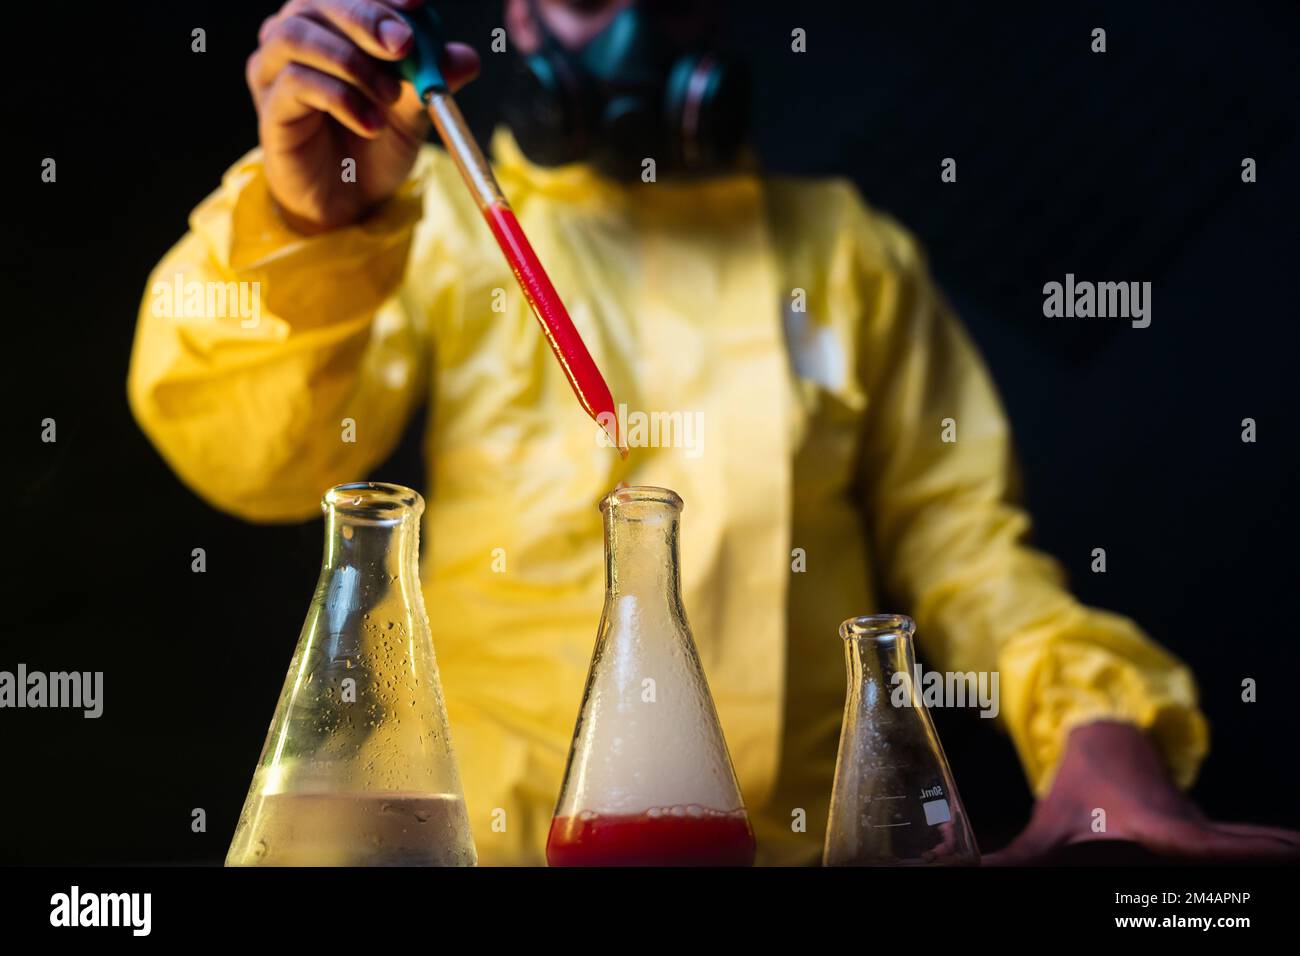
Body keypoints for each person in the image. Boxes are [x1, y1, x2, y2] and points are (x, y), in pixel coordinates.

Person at [127, 0, 1298, 865]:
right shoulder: (435, 228)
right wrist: (310, 223)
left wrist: (1095, 723)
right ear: (522, 22)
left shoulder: (846, 252)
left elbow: (969, 553)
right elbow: (251, 460)